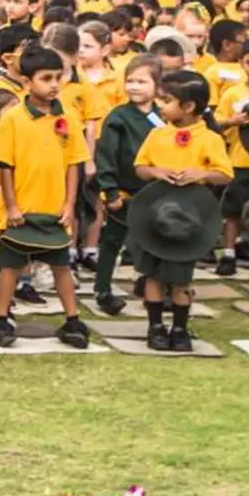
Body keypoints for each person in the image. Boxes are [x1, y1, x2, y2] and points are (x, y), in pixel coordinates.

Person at [0, 45, 92, 349]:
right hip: (21, 208)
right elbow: (5, 165)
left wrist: (69, 204)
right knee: (11, 265)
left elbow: (74, 163)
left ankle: (72, 320)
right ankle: (1, 318)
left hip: (54, 208)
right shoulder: (13, 119)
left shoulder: (70, 118)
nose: (53, 84)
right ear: (26, 82)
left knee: (61, 266)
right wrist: (10, 205)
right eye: (45, 78)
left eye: (58, 77)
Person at [131, 68, 233, 351]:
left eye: (166, 100)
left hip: (188, 220)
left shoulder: (209, 138)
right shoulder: (157, 135)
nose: (160, 106)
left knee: (180, 279)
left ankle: (180, 327)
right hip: (154, 217)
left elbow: (225, 174)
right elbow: (140, 168)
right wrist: (156, 171)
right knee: (151, 274)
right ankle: (155, 327)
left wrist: (201, 174)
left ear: (188, 106)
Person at [93, 54, 162, 317]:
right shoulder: (118, 117)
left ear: (158, 85)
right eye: (130, 81)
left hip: (156, 192)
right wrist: (109, 190)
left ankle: (150, 283)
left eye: (142, 81)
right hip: (124, 192)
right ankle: (103, 291)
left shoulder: (163, 115)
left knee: (155, 241)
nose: (134, 86)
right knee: (113, 240)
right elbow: (107, 155)